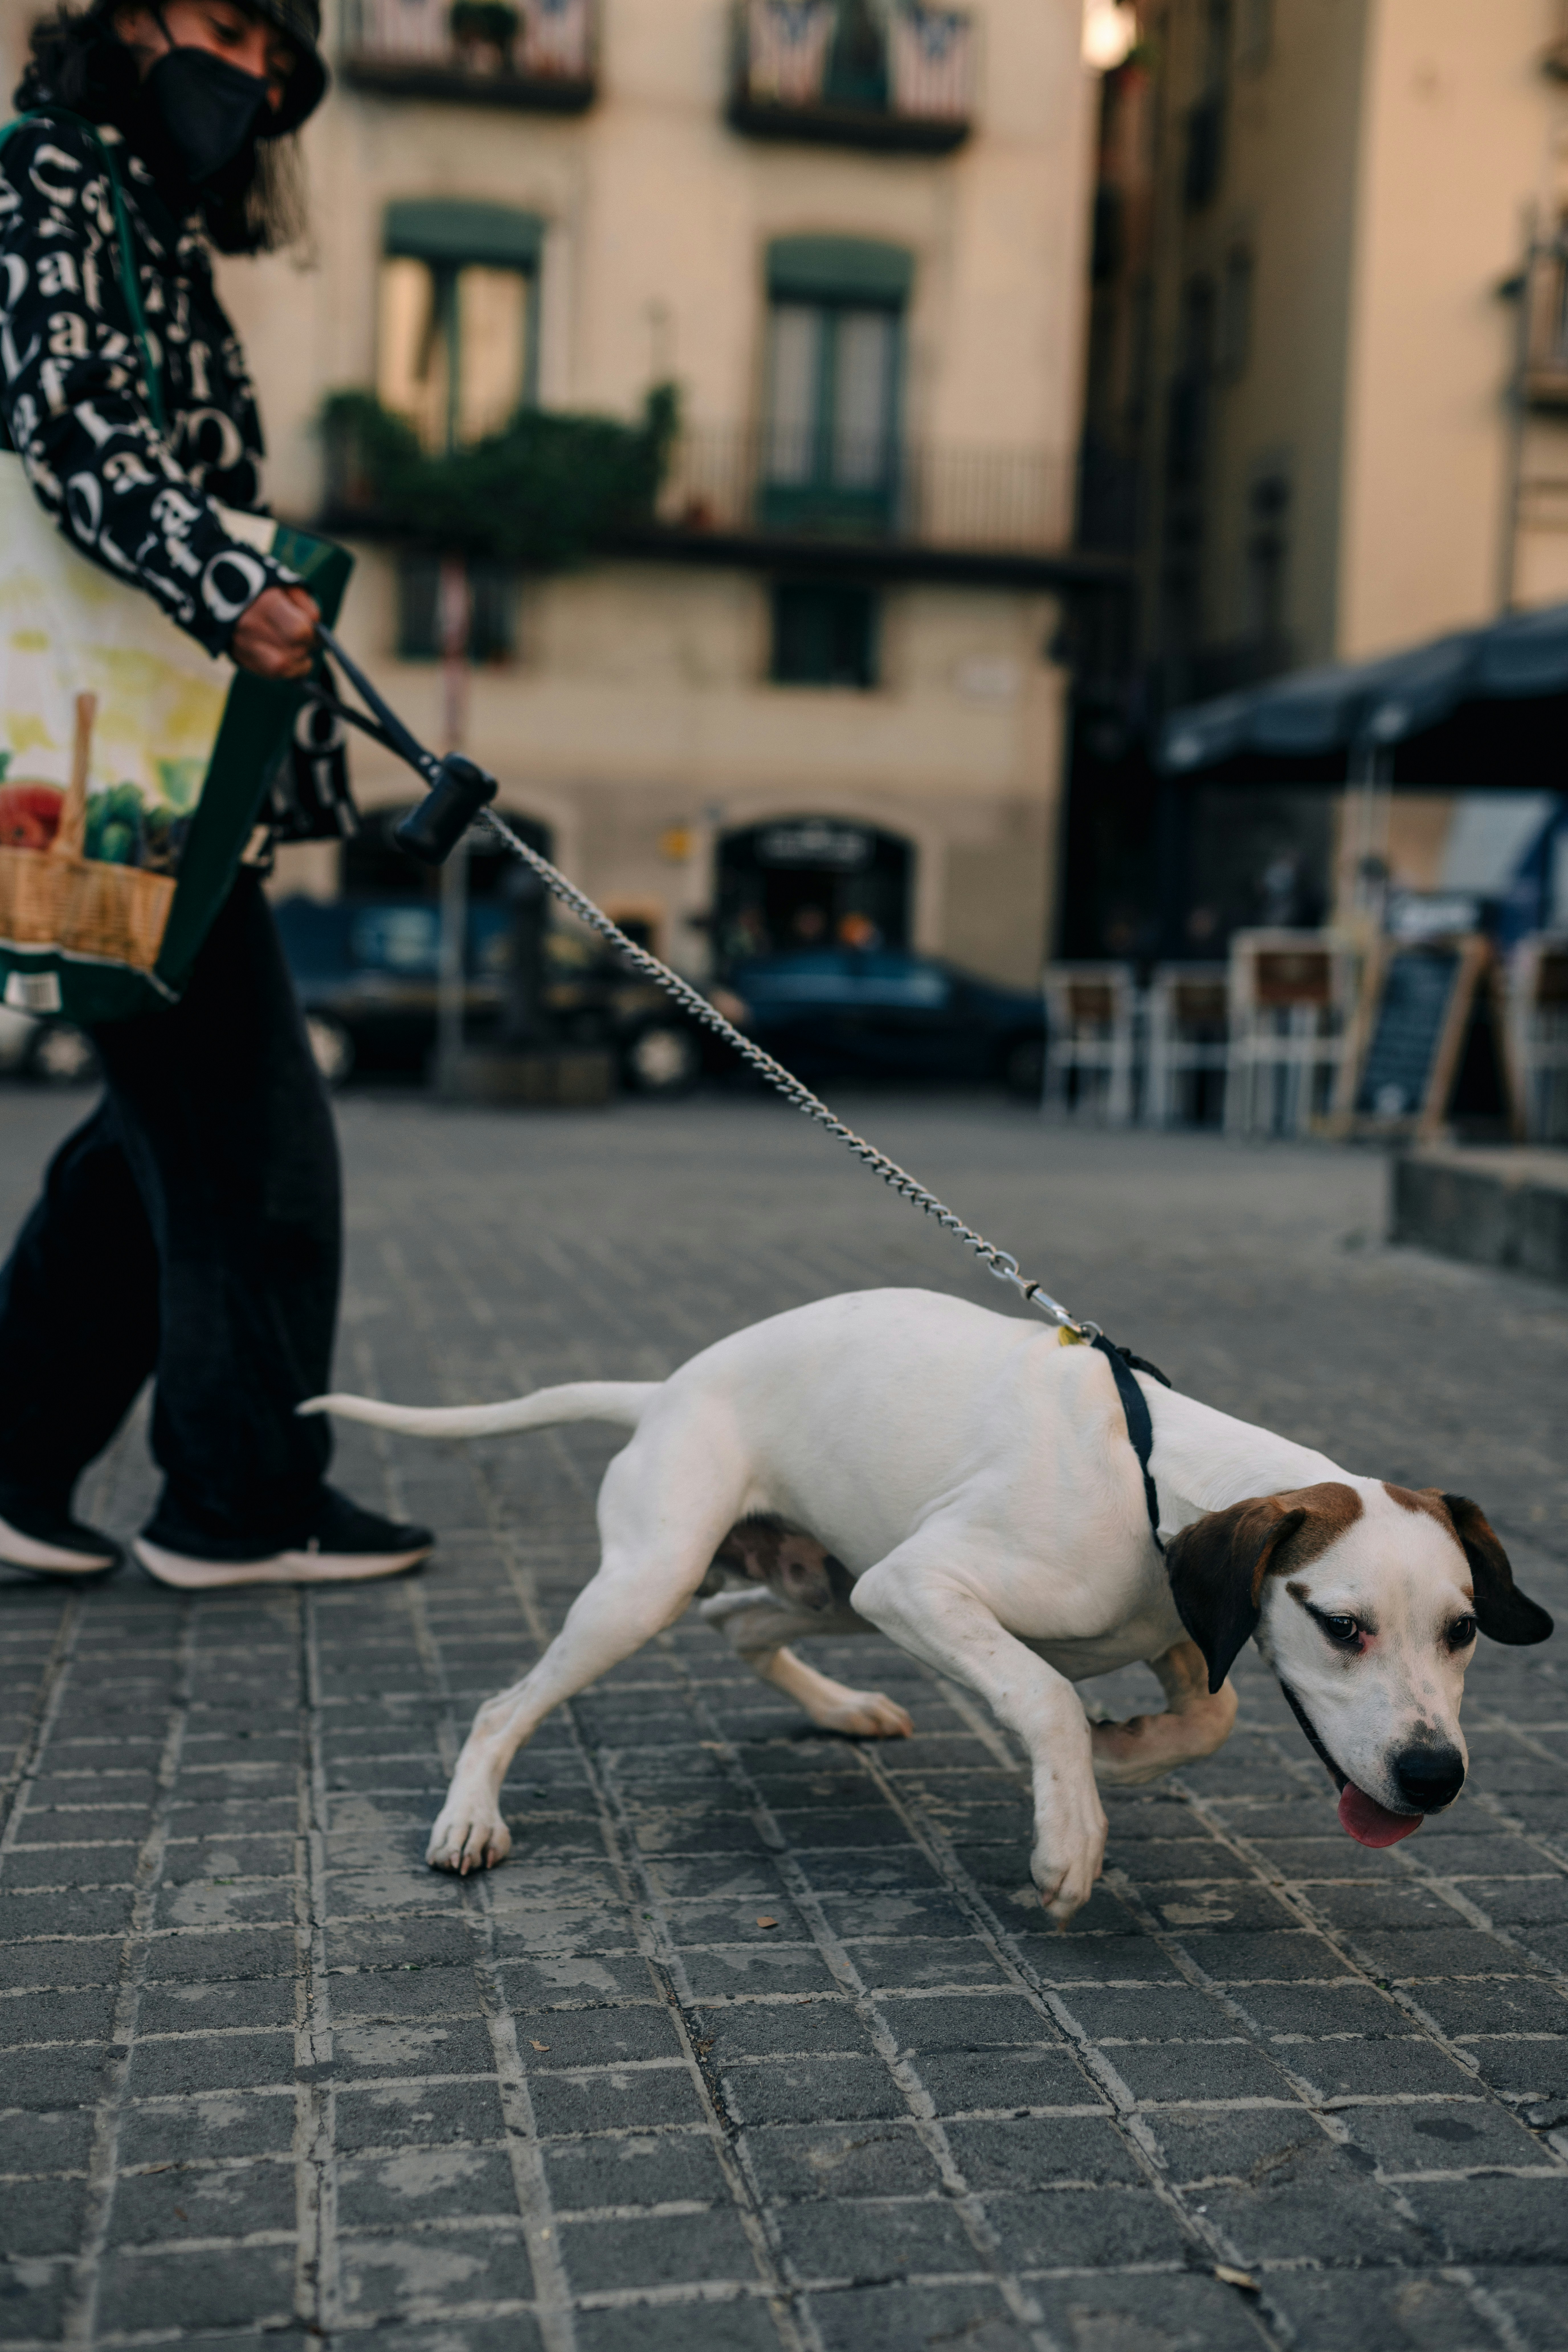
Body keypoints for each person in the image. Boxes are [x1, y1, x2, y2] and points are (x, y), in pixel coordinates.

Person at [0, 0, 433, 1590]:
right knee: (249, 1144)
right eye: (228, 28)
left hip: (140, 769)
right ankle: (241, 1502)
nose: (253, 74)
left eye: (277, 57)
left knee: (155, 1146)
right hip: (103, 773)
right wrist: (214, 578)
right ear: (126, 18)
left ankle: (16, 1462)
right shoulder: (49, 177)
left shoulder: (139, 218)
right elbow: (69, 428)